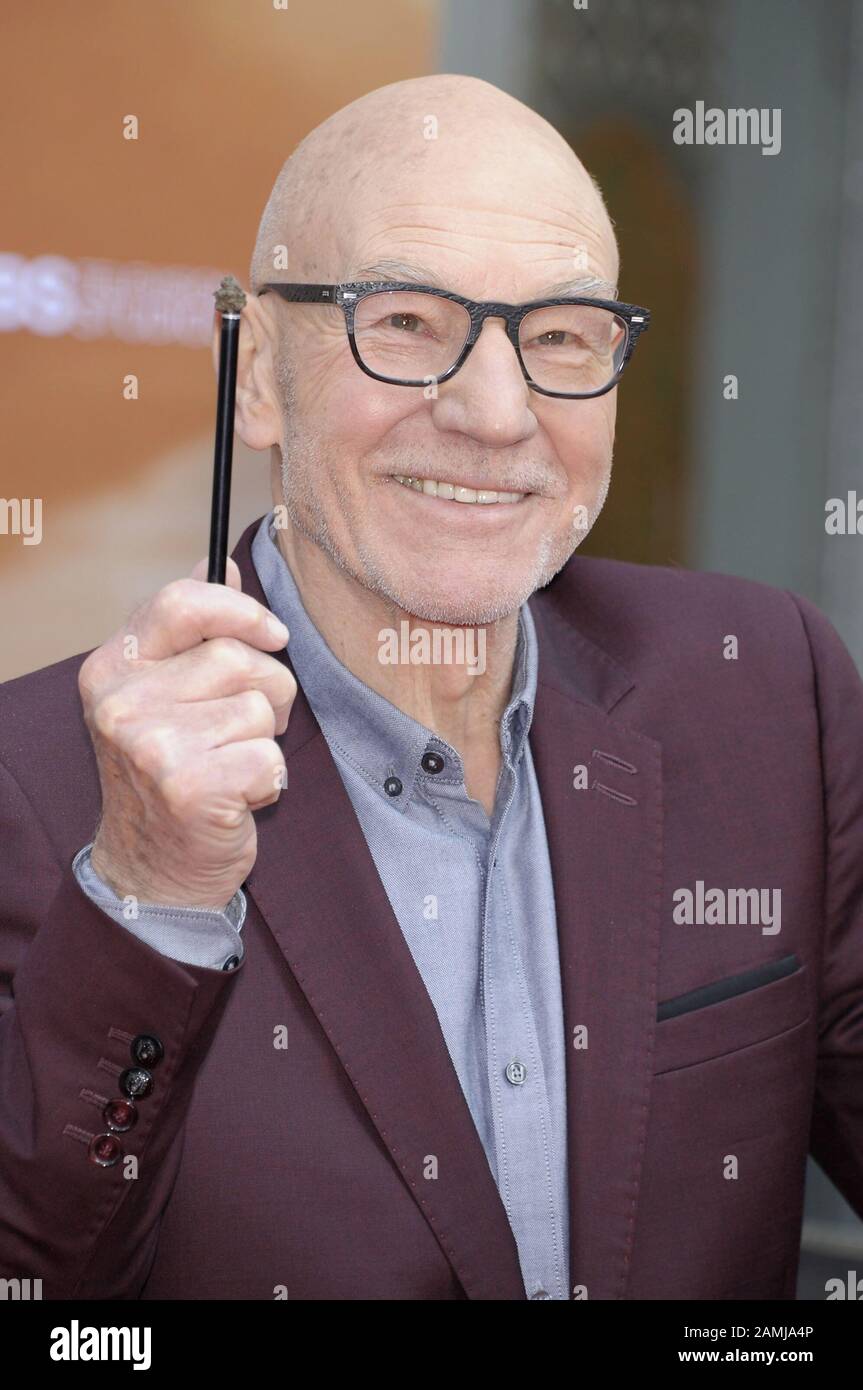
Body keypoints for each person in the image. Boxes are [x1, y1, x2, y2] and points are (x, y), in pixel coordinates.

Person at [1, 74, 861, 1302]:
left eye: (560, 335)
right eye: (403, 321)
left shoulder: (767, 696)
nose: (497, 413)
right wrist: (152, 904)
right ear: (252, 380)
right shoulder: (33, 793)